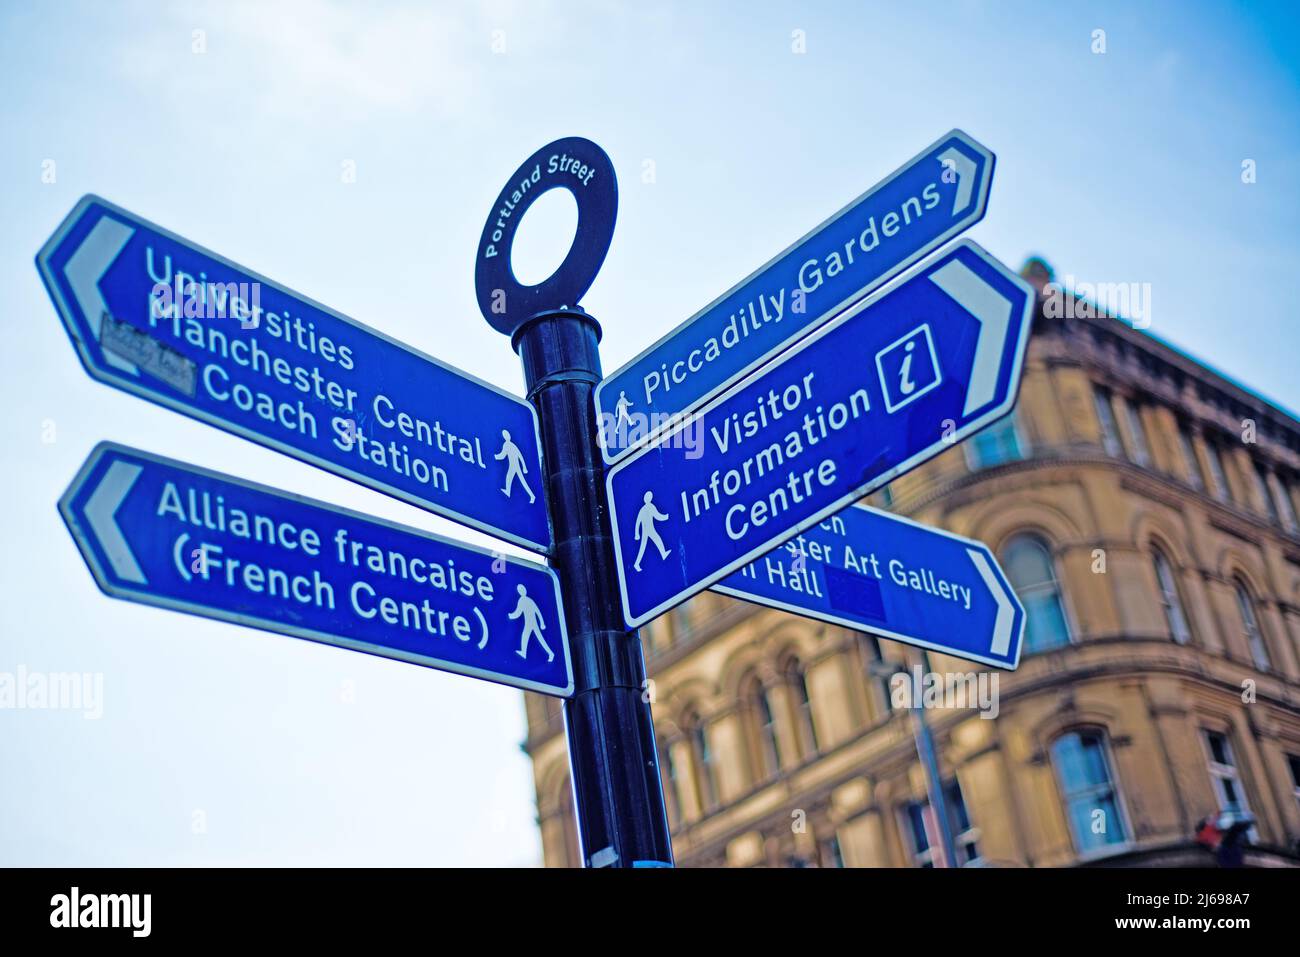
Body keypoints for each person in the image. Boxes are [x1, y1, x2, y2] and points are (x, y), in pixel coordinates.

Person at [508, 584, 553, 662]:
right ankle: (524, 652)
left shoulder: (522, 600)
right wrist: (542, 622)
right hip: (531, 623)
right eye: (520, 590)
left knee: (538, 638)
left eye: (521, 589)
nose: (520, 591)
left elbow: (518, 612)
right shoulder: (529, 600)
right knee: (528, 637)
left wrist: (511, 615)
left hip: (531, 623)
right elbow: (537, 612)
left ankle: (550, 653)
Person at [494, 429, 536, 504]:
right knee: (510, 478)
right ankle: (508, 491)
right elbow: (520, 457)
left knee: (521, 481)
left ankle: (532, 496)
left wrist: (495, 456)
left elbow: (503, 455)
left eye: (506, 435)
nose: (506, 436)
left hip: (514, 465)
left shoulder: (507, 445)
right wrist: (524, 467)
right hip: (513, 465)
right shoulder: (511, 444)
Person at [633, 490, 670, 572]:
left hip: (650, 529)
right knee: (643, 547)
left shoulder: (645, 508)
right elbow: (657, 516)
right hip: (647, 530)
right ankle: (636, 564)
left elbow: (638, 522)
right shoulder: (648, 507)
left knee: (656, 540)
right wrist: (666, 517)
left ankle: (663, 553)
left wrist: (637, 533)